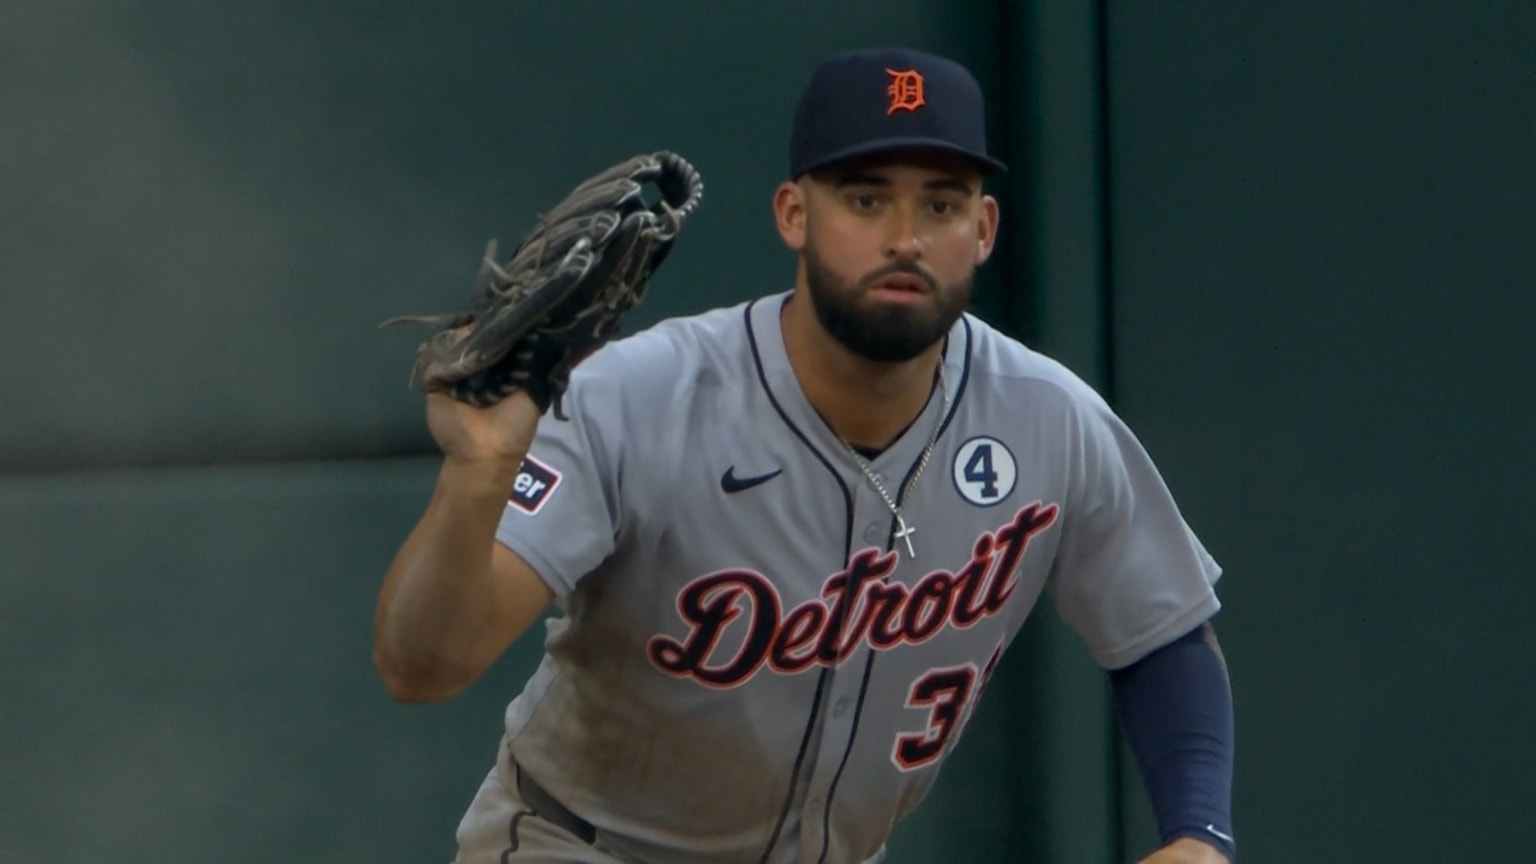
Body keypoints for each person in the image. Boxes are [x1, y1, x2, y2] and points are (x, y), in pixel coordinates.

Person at [373, 46, 1237, 864]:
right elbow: (422, 665)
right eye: (866, 199)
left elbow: (1162, 634)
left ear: (984, 228)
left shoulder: (1049, 419)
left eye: (940, 203)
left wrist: (1198, 829)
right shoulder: (641, 397)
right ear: (794, 213)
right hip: (585, 845)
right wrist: (480, 475)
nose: (906, 237)